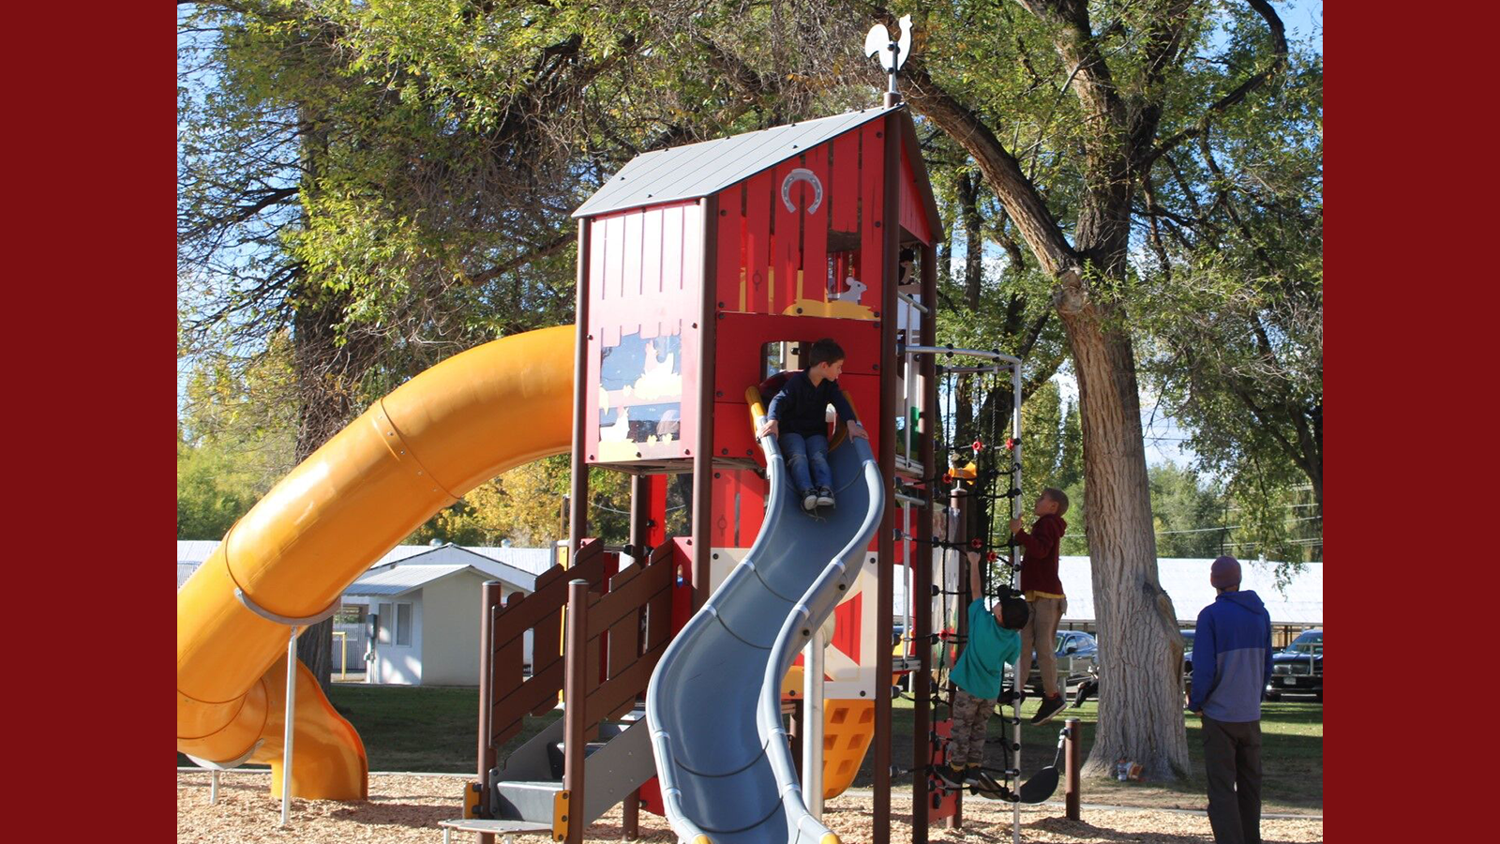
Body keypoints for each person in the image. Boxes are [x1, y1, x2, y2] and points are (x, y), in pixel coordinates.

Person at [1186, 556, 1273, 844]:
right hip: (1250, 713)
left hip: (1220, 715)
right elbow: (1267, 665)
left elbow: (1205, 668)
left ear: (1214, 582)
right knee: (1251, 784)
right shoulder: (1261, 614)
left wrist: (1196, 701)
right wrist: (1255, 697)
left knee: (1222, 787)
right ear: (1239, 580)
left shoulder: (1210, 616)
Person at [936, 550, 1029, 790]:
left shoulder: (981, 621)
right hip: (989, 693)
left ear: (998, 614)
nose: (997, 603)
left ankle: (955, 769)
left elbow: (976, 591)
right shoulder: (1012, 639)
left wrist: (974, 563)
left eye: (1000, 604)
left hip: (968, 689)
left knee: (961, 729)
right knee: (979, 730)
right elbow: (1011, 658)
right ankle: (973, 769)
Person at [757, 338, 868, 512]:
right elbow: (779, 400)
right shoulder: (797, 383)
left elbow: (841, 403)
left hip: (815, 432)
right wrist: (773, 421)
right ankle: (806, 491)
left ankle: (825, 490)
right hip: (791, 431)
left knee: (818, 455)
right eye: (838, 367)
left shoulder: (829, 385)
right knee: (798, 455)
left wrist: (851, 424)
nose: (840, 371)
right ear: (825, 366)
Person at [1007, 487, 1070, 725]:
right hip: (1035, 594)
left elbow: (1041, 551)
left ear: (1053, 506)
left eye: (1042, 498)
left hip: (1047, 596)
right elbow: (1037, 558)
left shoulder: (1049, 523)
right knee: (1023, 643)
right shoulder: (1044, 525)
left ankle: (1052, 696)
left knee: (1043, 646)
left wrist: (1020, 533)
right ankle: (1019, 689)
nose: (1037, 500)